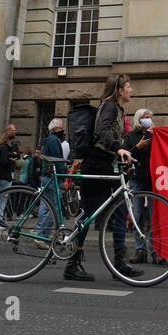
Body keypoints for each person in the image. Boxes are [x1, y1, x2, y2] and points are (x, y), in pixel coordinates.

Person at [65, 73, 140, 282]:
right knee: (90, 214)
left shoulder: (116, 108)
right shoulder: (109, 106)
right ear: (119, 90)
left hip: (104, 164)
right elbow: (102, 132)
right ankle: (75, 263)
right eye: (129, 86)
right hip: (96, 164)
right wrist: (119, 149)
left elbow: (113, 137)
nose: (131, 90)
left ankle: (118, 263)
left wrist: (127, 153)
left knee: (116, 211)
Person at [127, 108, 156, 263]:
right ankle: (140, 250)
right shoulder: (131, 136)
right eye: (145, 117)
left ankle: (154, 250)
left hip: (152, 179)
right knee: (137, 215)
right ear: (139, 119)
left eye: (150, 117)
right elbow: (126, 154)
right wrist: (137, 147)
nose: (148, 119)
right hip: (136, 179)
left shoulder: (155, 135)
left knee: (153, 216)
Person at [36, 118, 67, 240]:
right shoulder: (54, 140)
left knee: (47, 206)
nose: (63, 130)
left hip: (46, 175)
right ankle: (42, 235)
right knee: (53, 207)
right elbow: (57, 159)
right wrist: (63, 175)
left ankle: (52, 232)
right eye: (61, 128)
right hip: (52, 177)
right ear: (55, 129)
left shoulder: (48, 140)